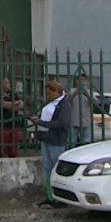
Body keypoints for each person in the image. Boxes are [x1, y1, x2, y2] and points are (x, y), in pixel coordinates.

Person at [29, 80, 71, 209]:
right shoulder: (54, 103)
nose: (48, 96)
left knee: (56, 168)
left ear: (57, 91)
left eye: (50, 93)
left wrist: (41, 122)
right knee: (48, 169)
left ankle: (61, 198)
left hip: (56, 140)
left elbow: (61, 123)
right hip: (46, 139)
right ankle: (50, 196)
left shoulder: (64, 105)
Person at [0, 77, 24, 158]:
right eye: (6, 82)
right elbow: (3, 104)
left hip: (14, 125)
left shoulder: (13, 93)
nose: (9, 84)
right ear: (0, 85)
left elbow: (21, 105)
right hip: (2, 126)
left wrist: (11, 105)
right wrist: (16, 103)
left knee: (13, 150)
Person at [69, 73, 98, 146]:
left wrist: (86, 94)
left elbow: (95, 103)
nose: (81, 81)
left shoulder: (89, 92)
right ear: (76, 81)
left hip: (86, 122)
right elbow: (66, 102)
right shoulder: (71, 91)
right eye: (79, 79)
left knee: (86, 144)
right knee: (71, 143)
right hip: (73, 121)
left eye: (83, 80)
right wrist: (75, 93)